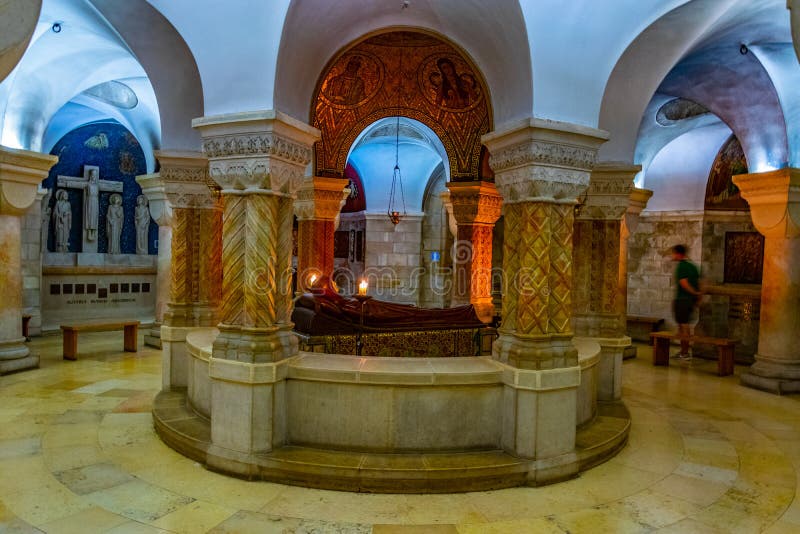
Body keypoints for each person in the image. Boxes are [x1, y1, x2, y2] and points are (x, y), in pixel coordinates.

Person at [671, 244, 702, 359]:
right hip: (690, 301)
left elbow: (684, 283)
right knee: (685, 325)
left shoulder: (681, 266)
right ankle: (683, 351)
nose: (672, 256)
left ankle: (684, 353)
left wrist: (694, 293)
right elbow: (700, 283)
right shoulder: (693, 266)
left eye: (673, 253)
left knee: (683, 327)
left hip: (683, 300)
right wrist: (698, 297)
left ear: (678, 254)